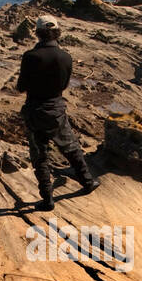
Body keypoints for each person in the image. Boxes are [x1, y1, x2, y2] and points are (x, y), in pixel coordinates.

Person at [16, 14, 97, 211]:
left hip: (35, 111)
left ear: (37, 33)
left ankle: (47, 199)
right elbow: (64, 84)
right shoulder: (66, 57)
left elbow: (20, 87)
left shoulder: (30, 57)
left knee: (40, 156)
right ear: (57, 33)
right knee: (71, 148)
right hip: (57, 109)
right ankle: (87, 182)